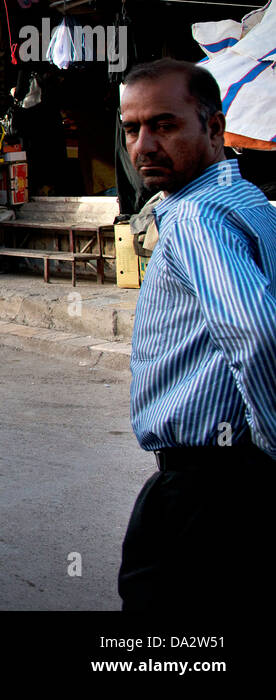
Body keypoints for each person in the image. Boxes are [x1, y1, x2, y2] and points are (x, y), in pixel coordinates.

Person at [117, 58, 276, 611]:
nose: (143, 146)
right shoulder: (245, 199)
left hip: (207, 487)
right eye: (132, 129)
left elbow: (256, 332)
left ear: (213, 127)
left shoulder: (195, 219)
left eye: (164, 125)